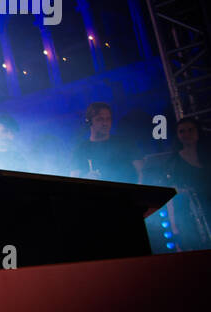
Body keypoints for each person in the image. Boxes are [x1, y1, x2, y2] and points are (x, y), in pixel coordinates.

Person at [153, 117, 211, 250]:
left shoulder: (208, 154)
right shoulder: (174, 162)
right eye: (182, 131)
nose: (186, 134)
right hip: (193, 212)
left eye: (190, 130)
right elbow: (171, 189)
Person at [69, 102, 140, 182]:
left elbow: (141, 173)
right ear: (89, 122)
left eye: (108, 119)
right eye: (100, 119)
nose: (105, 123)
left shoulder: (126, 143)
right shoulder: (80, 149)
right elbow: (74, 177)